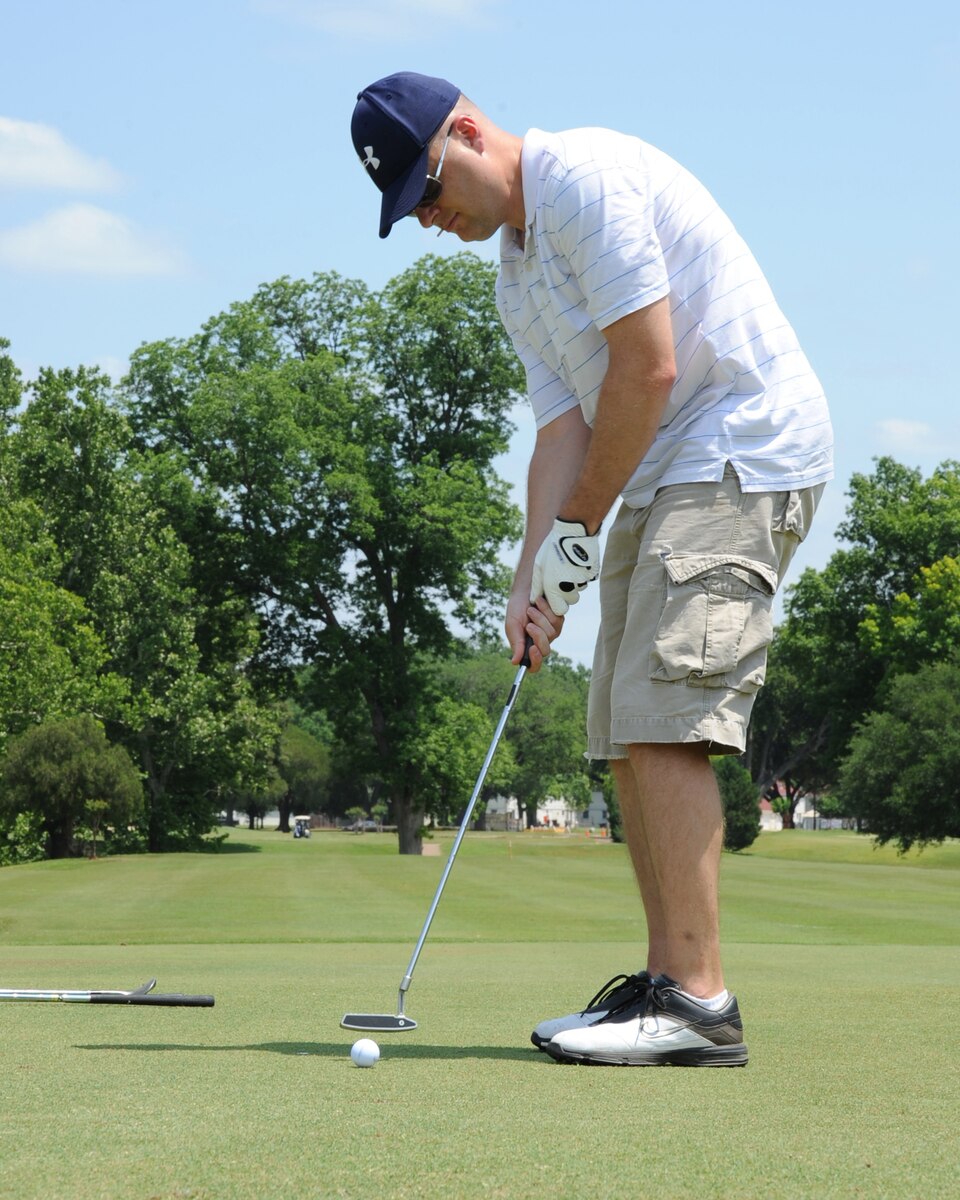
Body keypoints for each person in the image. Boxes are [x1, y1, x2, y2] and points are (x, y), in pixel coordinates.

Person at [350, 72, 833, 1066]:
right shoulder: (515, 279)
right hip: (665, 470)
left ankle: (698, 1003)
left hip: (739, 448)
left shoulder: (583, 180)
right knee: (623, 723)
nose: (431, 218)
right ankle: (665, 988)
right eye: (411, 208)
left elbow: (648, 365)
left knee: (665, 712)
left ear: (469, 132)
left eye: (430, 189)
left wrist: (575, 537)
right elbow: (562, 436)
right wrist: (536, 582)